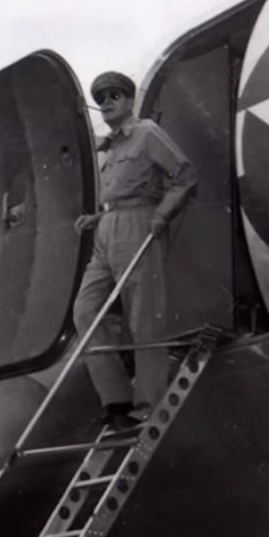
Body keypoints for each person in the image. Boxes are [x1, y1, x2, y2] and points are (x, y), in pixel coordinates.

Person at [73, 71, 198, 428]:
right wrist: (96, 218)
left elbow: (186, 175)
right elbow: (121, 192)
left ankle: (148, 404)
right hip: (107, 230)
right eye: (102, 97)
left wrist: (161, 215)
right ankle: (115, 399)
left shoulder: (146, 134)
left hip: (139, 226)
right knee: (85, 311)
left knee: (144, 317)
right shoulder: (112, 147)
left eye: (115, 95)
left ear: (129, 101)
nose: (108, 101)